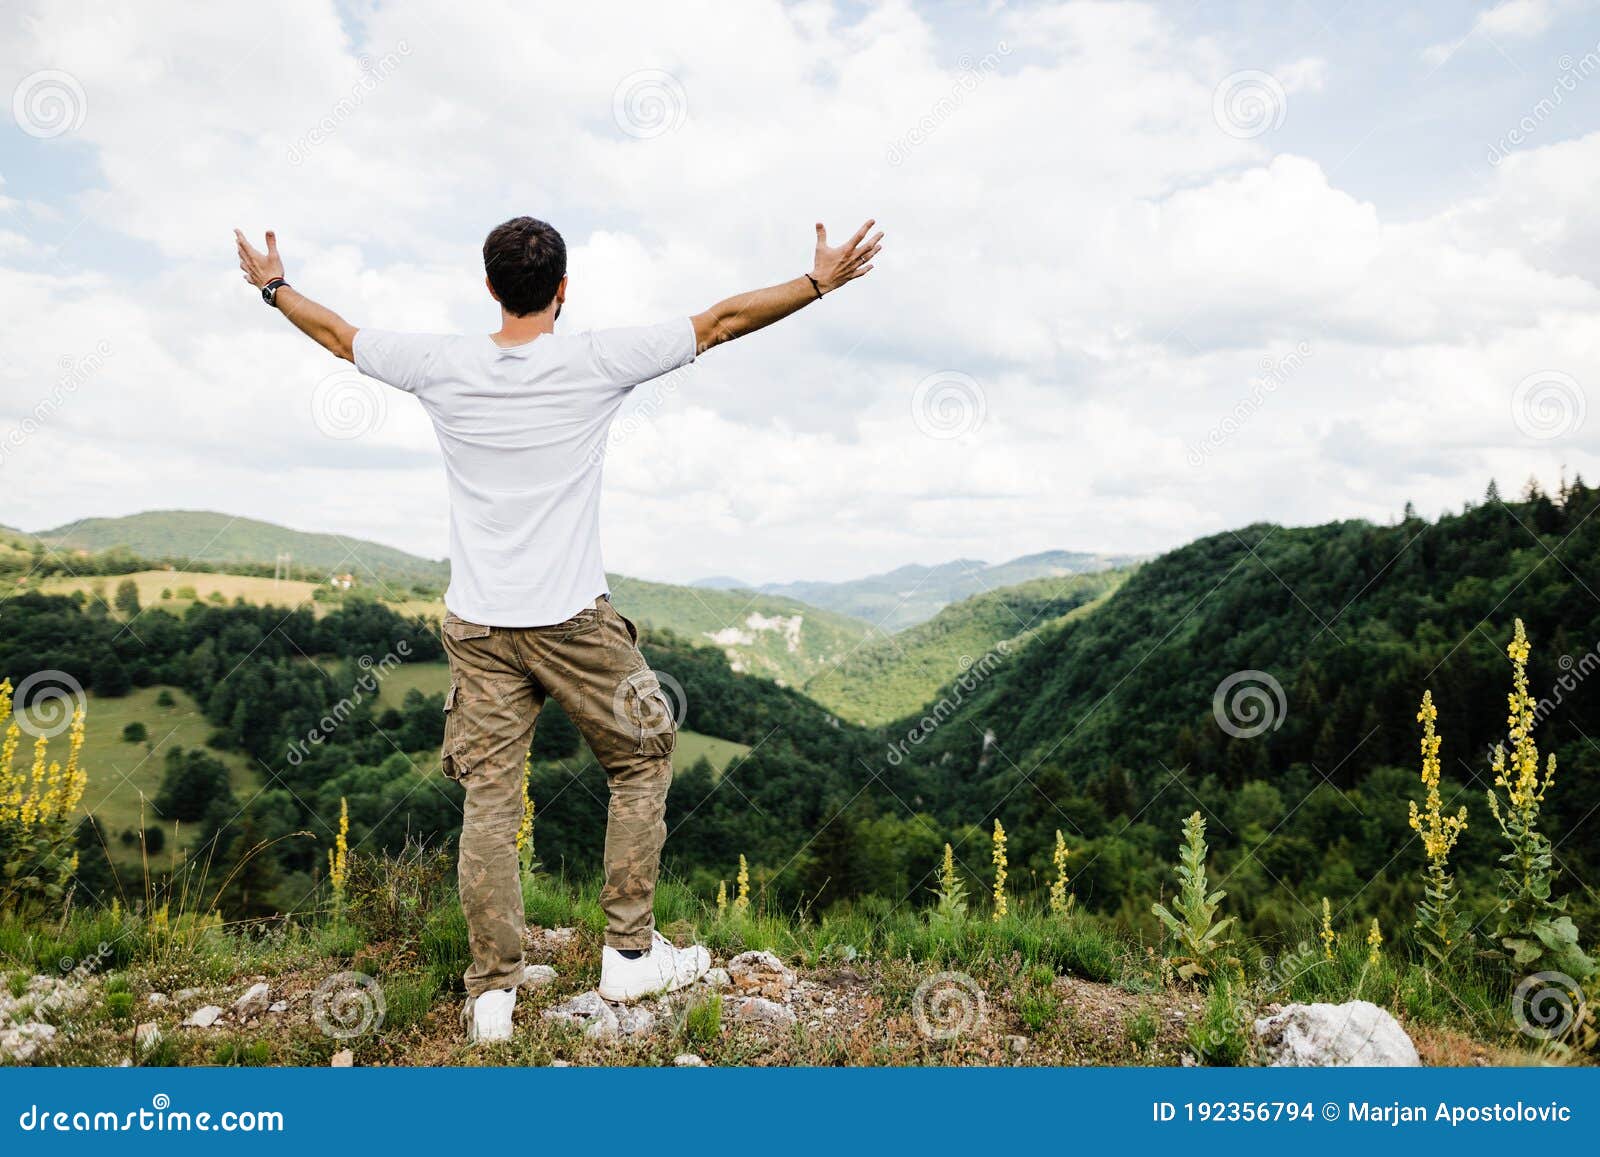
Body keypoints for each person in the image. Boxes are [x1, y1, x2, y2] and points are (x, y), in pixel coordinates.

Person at [234, 214, 883, 1042]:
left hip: (478, 624)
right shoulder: (594, 358)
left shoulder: (441, 364)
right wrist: (818, 282)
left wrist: (273, 286)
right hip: (574, 621)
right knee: (645, 752)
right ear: (563, 288)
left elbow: (337, 336)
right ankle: (628, 952)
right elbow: (721, 322)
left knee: (491, 801)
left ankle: (493, 997)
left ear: (489, 285)